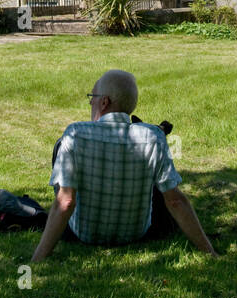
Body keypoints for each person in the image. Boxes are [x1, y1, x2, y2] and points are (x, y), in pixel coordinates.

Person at [31, 69, 217, 261]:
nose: (90, 102)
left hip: (83, 235)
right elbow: (175, 201)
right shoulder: (153, 137)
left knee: (60, 147)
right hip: (136, 234)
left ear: (104, 102)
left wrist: (36, 260)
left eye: (92, 97)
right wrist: (210, 252)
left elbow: (66, 202)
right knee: (161, 186)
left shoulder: (74, 134)